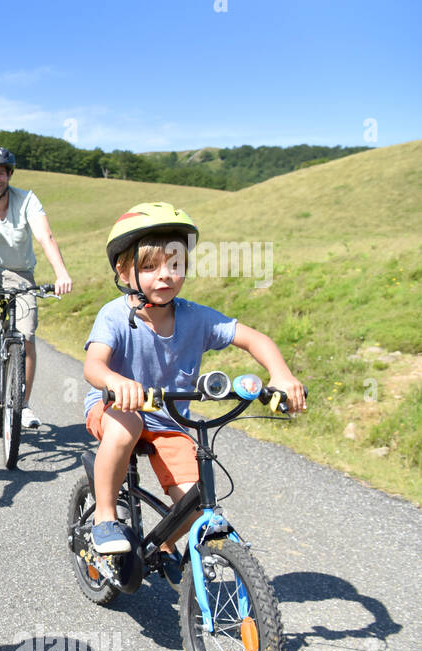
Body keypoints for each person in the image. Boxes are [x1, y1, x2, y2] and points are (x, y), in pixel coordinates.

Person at [82, 202, 306, 573]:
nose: (165, 275)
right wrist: (117, 383)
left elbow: (255, 340)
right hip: (115, 409)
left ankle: (163, 545)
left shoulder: (195, 317)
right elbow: (94, 366)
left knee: (194, 499)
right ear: (123, 271)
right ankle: (104, 518)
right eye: (150, 266)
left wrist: (281, 375)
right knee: (128, 424)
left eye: (175, 264)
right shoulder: (114, 315)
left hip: (168, 419)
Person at [0, 146, 75, 428]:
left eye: (0, 174)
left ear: (9, 175)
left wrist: (61, 274)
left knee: (27, 337)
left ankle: (24, 404)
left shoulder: (27, 200)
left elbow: (46, 236)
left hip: (22, 274)